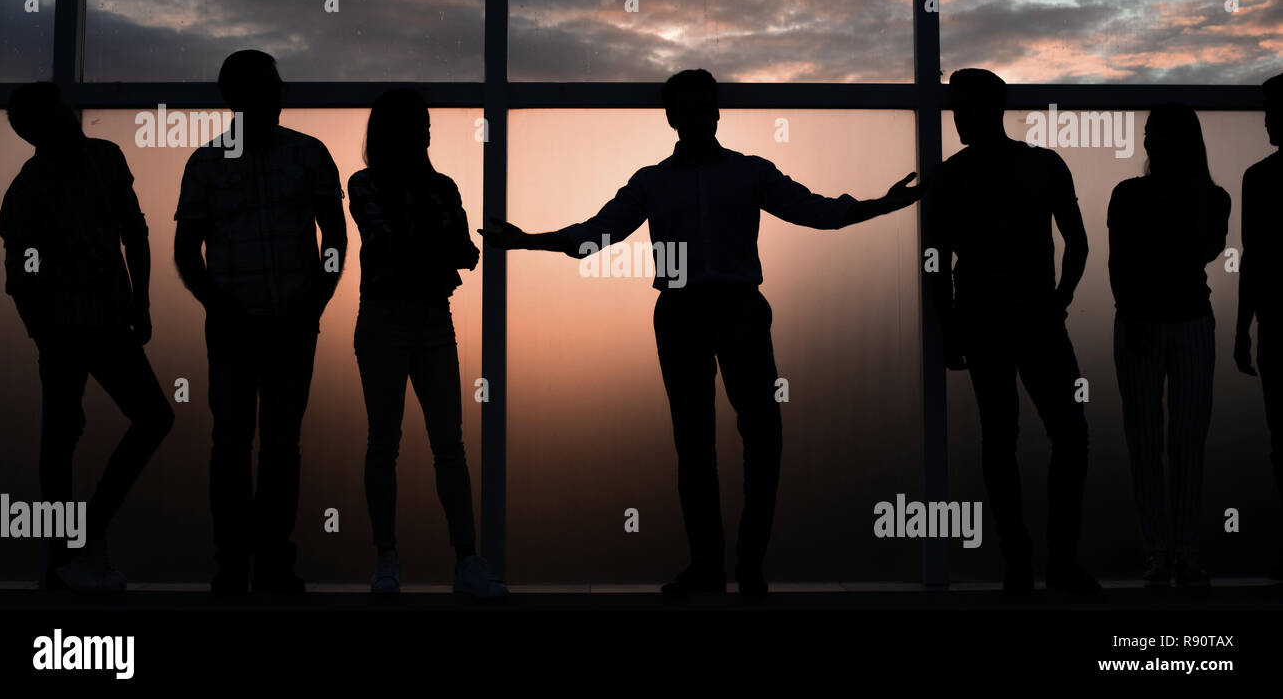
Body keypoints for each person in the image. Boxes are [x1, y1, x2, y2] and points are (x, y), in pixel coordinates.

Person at [479, 69, 924, 599]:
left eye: (701, 107)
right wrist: (528, 241)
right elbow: (594, 236)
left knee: (755, 437)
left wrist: (881, 204)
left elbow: (818, 213)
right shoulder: (658, 181)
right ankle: (717, 567)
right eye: (685, 108)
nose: (694, 117)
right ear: (673, 117)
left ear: (715, 113)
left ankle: (741, 564)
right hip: (688, 312)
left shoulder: (743, 173)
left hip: (731, 309)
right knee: (702, 443)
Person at [174, 50, 347, 595]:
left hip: (281, 324)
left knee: (263, 445)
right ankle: (243, 565)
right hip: (243, 327)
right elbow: (186, 249)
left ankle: (260, 564)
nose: (280, 93)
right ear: (240, 98)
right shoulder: (207, 164)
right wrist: (224, 308)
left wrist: (313, 304)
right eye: (270, 85)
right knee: (246, 445)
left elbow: (336, 240)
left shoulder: (307, 155)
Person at [0, 82, 174, 595]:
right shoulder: (33, 185)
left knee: (70, 435)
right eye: (58, 111)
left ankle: (74, 548)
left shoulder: (93, 162)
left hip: (95, 324)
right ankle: (77, 547)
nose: (70, 116)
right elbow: (21, 274)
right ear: (41, 125)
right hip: (76, 327)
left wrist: (139, 303)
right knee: (86, 431)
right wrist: (49, 336)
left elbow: (133, 231)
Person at [929, 68, 1098, 596]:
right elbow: (1078, 244)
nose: (956, 117)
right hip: (1034, 320)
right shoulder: (1042, 164)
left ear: (982, 109)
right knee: (1066, 436)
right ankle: (1055, 562)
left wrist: (948, 327)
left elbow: (935, 261)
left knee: (1003, 438)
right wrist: (1059, 300)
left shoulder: (953, 175)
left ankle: (1020, 561)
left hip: (984, 320)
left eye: (961, 108)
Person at [348, 89, 506, 597]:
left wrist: (423, 250)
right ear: (397, 131)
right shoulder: (369, 183)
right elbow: (398, 243)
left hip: (426, 319)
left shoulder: (438, 186)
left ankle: (459, 561)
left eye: (427, 123)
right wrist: (434, 252)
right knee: (388, 442)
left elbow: (463, 253)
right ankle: (393, 558)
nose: (428, 131)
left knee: (444, 444)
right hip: (393, 318)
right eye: (419, 123)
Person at [1108, 104, 1229, 588]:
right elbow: (1200, 251)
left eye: (1153, 133)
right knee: (1179, 442)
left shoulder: (1131, 195)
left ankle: (1165, 551)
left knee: (1155, 441)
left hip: (1148, 321)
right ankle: (1176, 551)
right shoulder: (1211, 197)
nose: (1148, 142)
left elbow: (1122, 262)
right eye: (1148, 133)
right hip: (1184, 320)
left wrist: (1130, 309)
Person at [1234, 72, 1283, 582]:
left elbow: (1254, 258)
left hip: (1275, 323)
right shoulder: (1258, 178)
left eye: (1272, 113)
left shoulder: (1259, 178)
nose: (1266, 121)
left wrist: (1241, 327)